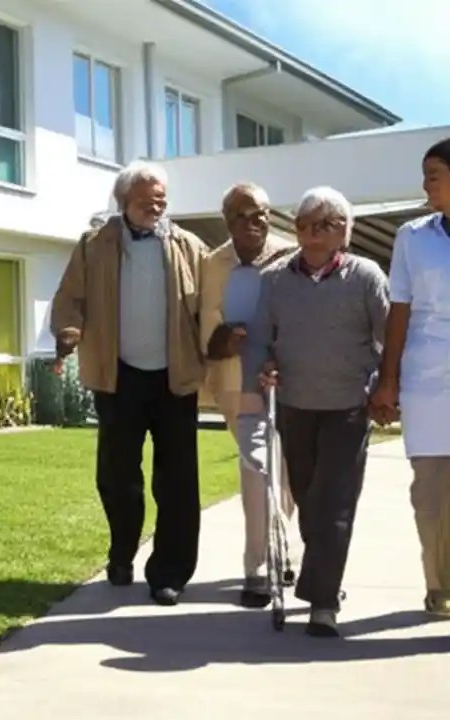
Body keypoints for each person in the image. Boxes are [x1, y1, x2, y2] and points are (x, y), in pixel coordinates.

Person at [50, 161, 209, 607]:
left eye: (160, 200)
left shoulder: (187, 245)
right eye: (145, 201)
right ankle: (122, 552)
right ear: (123, 203)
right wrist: (67, 330)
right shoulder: (95, 245)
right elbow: (69, 298)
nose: (155, 207)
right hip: (117, 376)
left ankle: (169, 573)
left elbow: (211, 304)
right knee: (117, 476)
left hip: (175, 378)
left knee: (178, 481)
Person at [246, 186, 390, 637]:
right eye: (304, 225)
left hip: (348, 407)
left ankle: (323, 602)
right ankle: (324, 581)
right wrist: (263, 368)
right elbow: (259, 339)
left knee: (334, 505)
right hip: (295, 407)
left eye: (323, 225)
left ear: (344, 230)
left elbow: (390, 337)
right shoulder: (274, 279)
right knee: (309, 501)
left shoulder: (366, 277)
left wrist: (385, 386)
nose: (310, 234)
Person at [199, 183, 298, 609]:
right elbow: (204, 322)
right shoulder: (211, 264)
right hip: (237, 382)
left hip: (290, 381)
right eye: (241, 215)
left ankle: (282, 547)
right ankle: (255, 567)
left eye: (260, 213)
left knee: (290, 475)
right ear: (227, 221)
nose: (252, 222)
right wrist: (220, 340)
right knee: (257, 470)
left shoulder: (292, 254)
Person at [370, 137, 450, 618]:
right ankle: (439, 586)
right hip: (427, 382)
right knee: (430, 497)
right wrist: (388, 381)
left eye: (434, 174)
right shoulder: (412, 237)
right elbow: (398, 312)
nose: (425, 185)